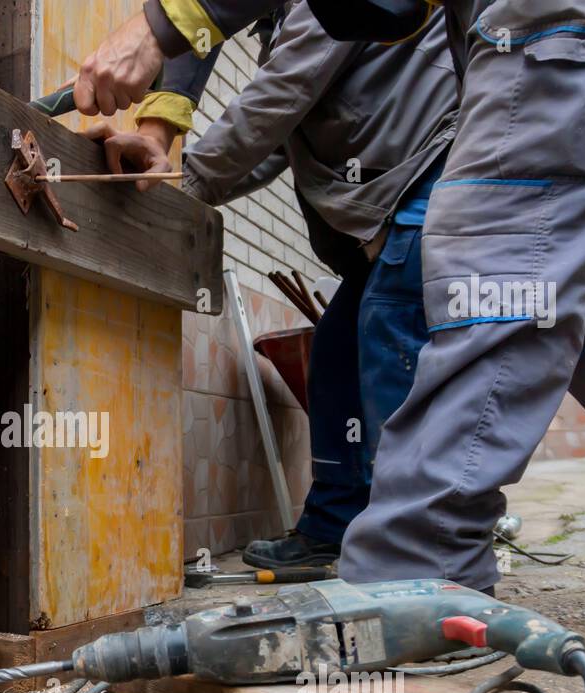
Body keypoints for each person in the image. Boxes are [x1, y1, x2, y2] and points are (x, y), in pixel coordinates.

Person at [77, 0, 585, 594]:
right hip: (524, 65)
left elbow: (284, 90)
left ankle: (417, 577)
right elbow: (282, 121)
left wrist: (158, 37)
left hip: (434, 165)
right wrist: (176, 158)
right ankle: (360, 534)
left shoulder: (307, 21)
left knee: (475, 274)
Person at [87, 0, 458, 569]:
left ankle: (415, 556)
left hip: (428, 186)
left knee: (392, 345)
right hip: (386, 207)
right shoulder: (280, 24)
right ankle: (334, 528)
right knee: (335, 356)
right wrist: (184, 178)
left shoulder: (315, 13)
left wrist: (184, 182)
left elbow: (280, 96)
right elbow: (277, 136)